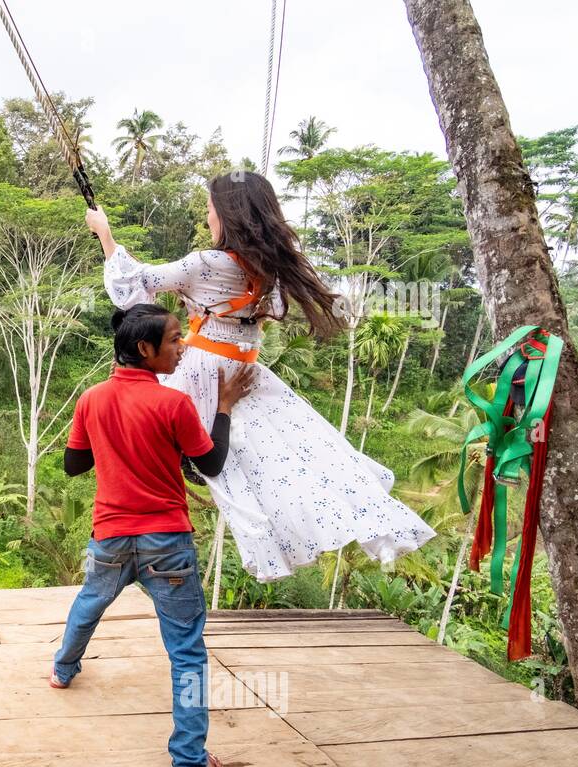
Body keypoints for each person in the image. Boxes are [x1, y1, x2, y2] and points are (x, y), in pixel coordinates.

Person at [85, 171, 435, 582]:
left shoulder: (204, 263)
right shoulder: (269, 267)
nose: (208, 217)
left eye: (211, 210)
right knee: (294, 455)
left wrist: (105, 234)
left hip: (204, 372)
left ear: (229, 215)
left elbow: (135, 283)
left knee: (214, 457)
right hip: (243, 369)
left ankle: (185, 482)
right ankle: (359, 519)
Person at [54, 303, 256, 767]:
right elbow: (210, 462)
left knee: (90, 601)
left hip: (110, 535)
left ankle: (63, 670)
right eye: (173, 339)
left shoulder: (92, 399)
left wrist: (109, 429)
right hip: (166, 543)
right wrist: (225, 405)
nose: (181, 345)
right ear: (144, 349)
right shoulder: (174, 405)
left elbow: (72, 466)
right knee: (186, 652)